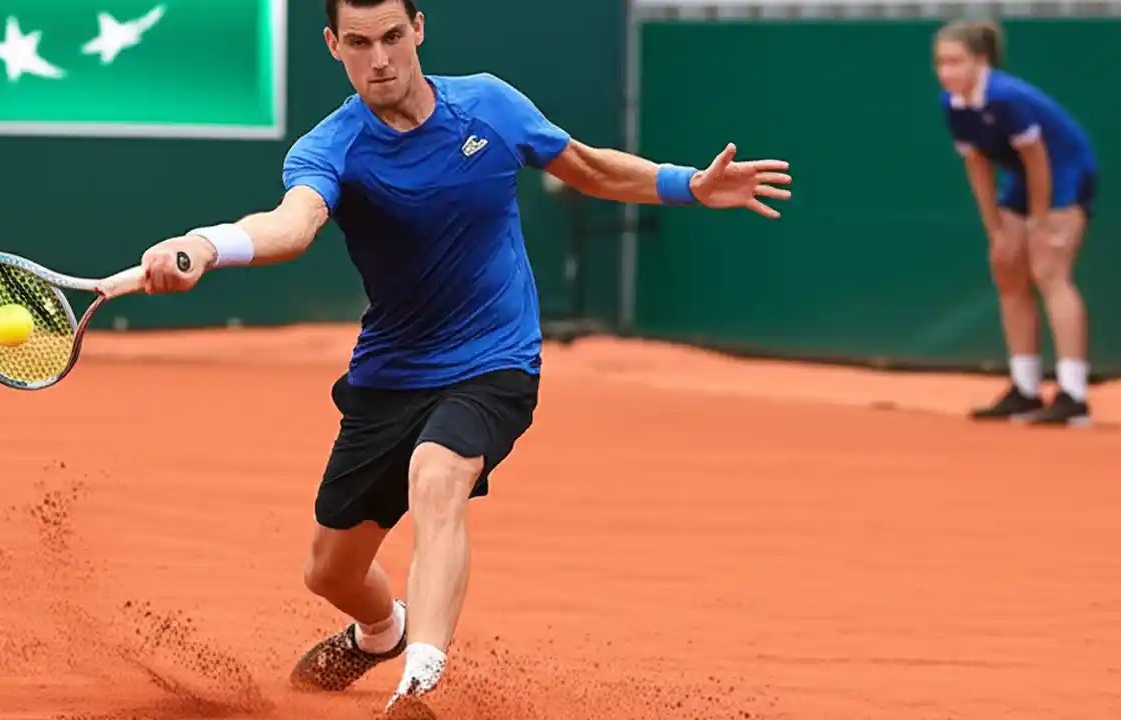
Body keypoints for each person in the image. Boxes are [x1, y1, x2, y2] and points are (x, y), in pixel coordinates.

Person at [137, 0, 791, 715]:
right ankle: (382, 633)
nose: (380, 59)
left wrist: (687, 184)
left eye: (392, 36)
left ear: (418, 29)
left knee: (437, 475)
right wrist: (206, 245)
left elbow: (584, 166)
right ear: (332, 45)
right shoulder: (331, 147)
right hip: (390, 375)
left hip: (494, 358)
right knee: (330, 572)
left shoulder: (488, 106)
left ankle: (417, 681)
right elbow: (291, 226)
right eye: (359, 42)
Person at [934, 19, 1098, 427]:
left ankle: (1073, 395)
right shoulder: (952, 104)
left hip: (1066, 172)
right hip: (1023, 179)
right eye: (940, 63)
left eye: (955, 62)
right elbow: (977, 164)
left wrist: (1040, 222)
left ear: (980, 62)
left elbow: (1038, 160)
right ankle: (1025, 389)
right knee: (1006, 267)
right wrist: (995, 230)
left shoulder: (1006, 97)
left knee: (1049, 270)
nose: (946, 72)